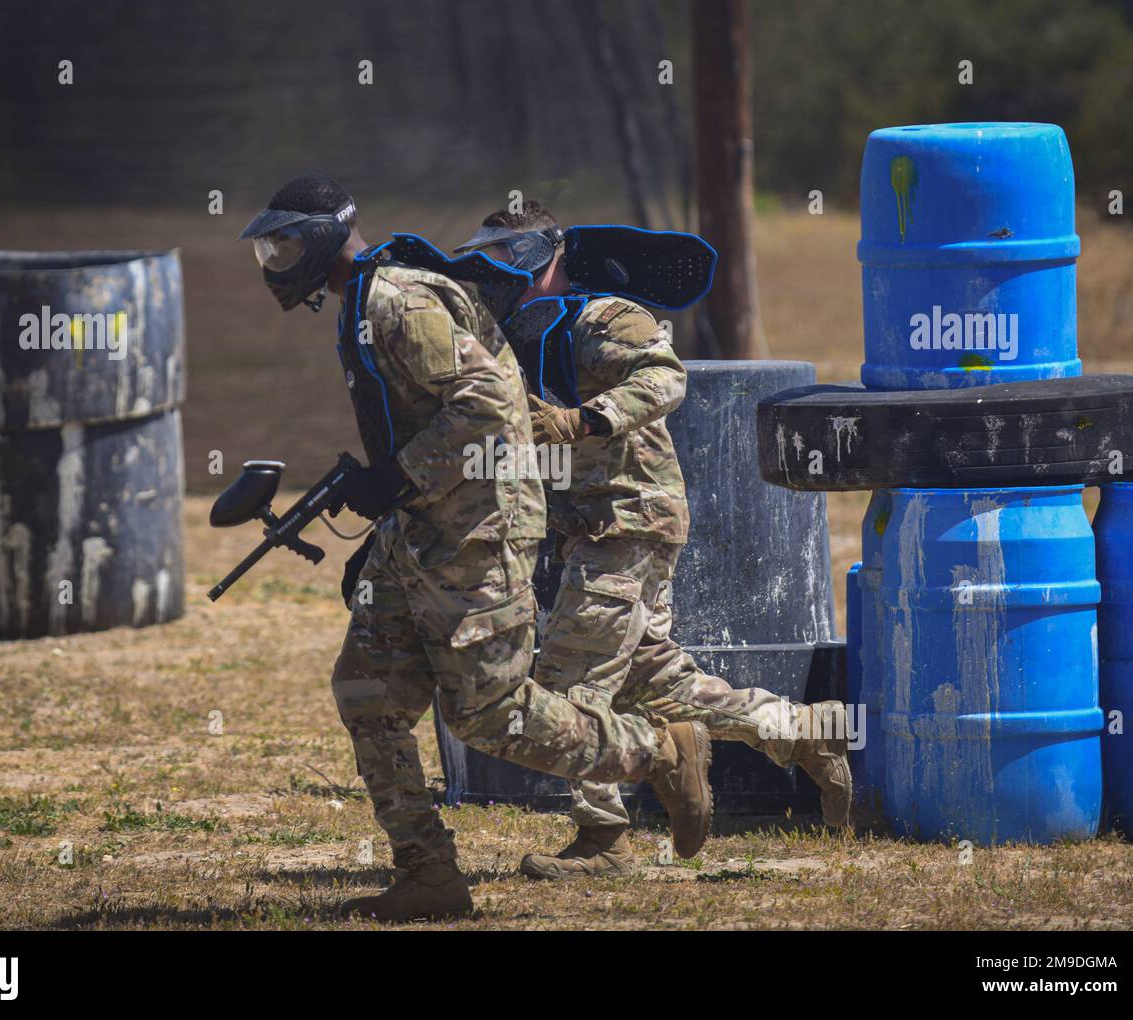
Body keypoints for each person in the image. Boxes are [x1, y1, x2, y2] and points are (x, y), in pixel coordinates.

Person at [238, 173, 713, 921]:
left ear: (329, 234)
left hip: (478, 526)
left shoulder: (396, 299)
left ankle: (657, 750)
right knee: (367, 694)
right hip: (424, 525)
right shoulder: (364, 301)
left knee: (489, 714)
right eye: (271, 246)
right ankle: (428, 874)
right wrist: (388, 517)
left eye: (286, 242)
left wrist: (400, 477)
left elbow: (488, 405)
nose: (277, 259)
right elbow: (425, 421)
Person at [454, 201, 852, 882]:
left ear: (557, 258)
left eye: (519, 260)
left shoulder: (604, 316)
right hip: (586, 530)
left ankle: (603, 838)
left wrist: (586, 420)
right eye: (491, 262)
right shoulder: (511, 338)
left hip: (630, 521)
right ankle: (803, 731)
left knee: (565, 686)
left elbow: (667, 378)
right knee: (658, 682)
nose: (505, 277)